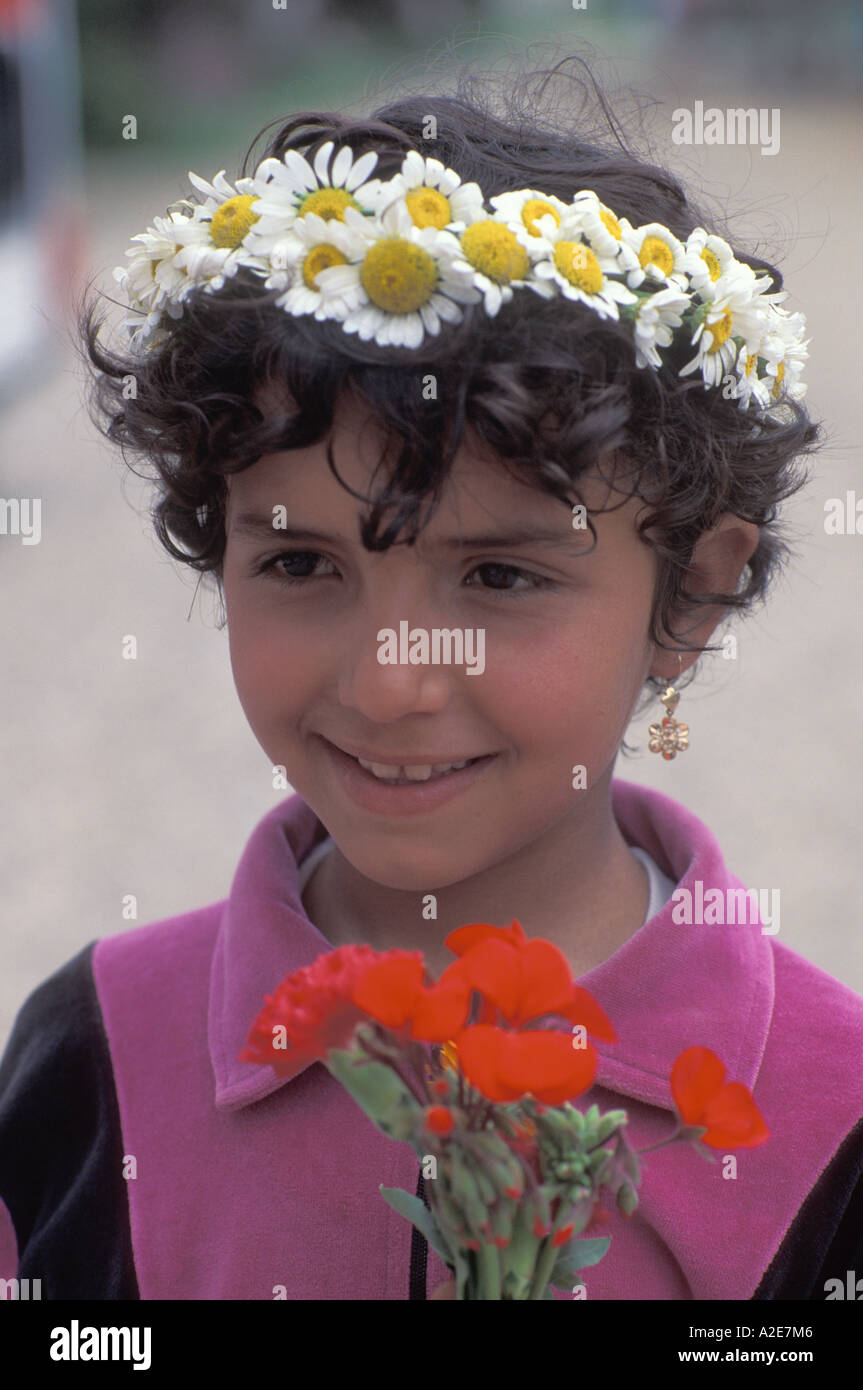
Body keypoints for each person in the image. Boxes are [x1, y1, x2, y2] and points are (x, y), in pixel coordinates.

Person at [1, 54, 861, 1302]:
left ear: (694, 592)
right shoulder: (96, 1056)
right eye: (299, 562)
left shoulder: (826, 1116)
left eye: (500, 578)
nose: (392, 684)